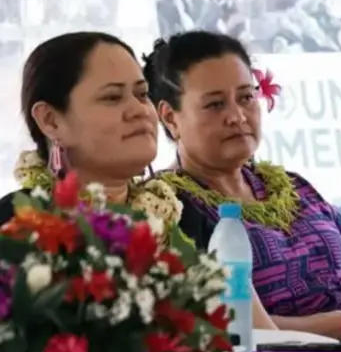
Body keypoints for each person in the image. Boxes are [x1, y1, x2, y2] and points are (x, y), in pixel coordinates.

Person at [0, 31, 277, 329]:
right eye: (112, 97)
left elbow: (257, 338)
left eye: (142, 94)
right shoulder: (18, 225)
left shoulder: (184, 219)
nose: (139, 111)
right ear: (51, 121)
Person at [143, 31, 341, 339]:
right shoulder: (167, 206)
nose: (237, 116)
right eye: (215, 104)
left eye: (245, 97)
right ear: (171, 117)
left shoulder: (296, 187)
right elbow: (230, 326)